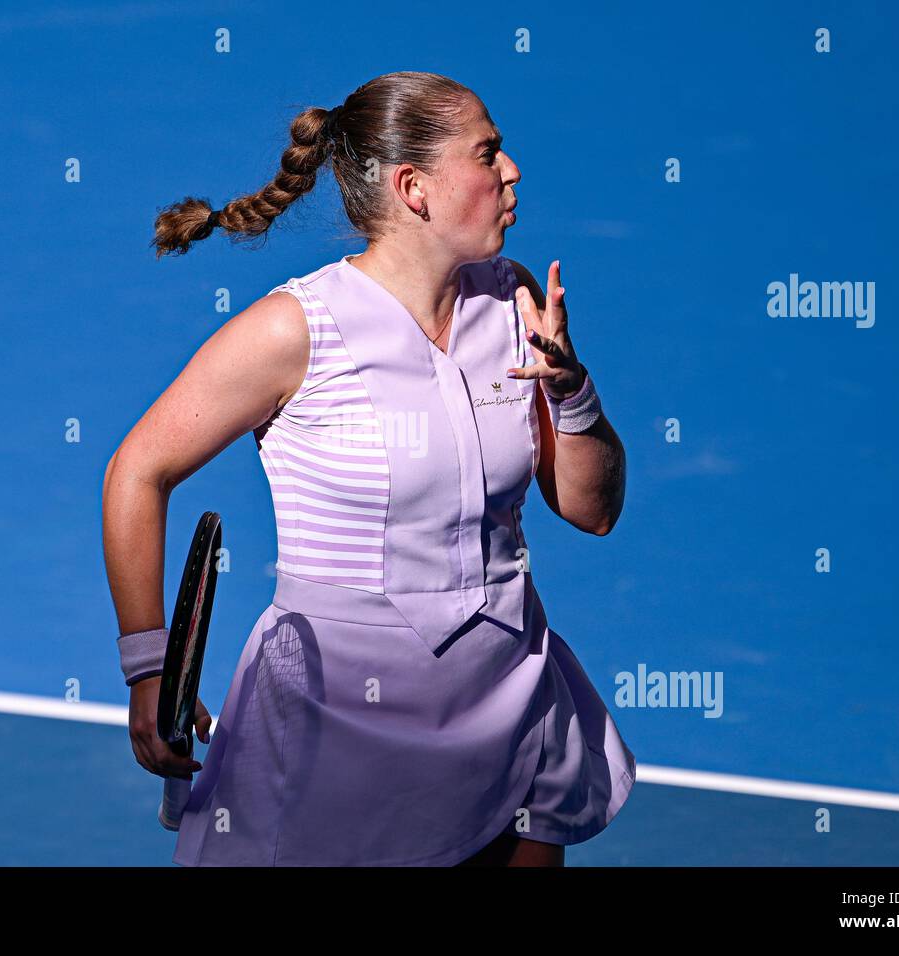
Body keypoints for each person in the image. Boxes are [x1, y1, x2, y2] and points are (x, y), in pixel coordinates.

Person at [101, 70, 634, 867]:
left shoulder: (514, 302)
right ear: (413, 186)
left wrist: (571, 389)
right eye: (487, 154)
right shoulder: (293, 332)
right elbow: (137, 470)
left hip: (505, 711)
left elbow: (592, 510)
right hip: (333, 734)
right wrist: (150, 671)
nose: (512, 169)